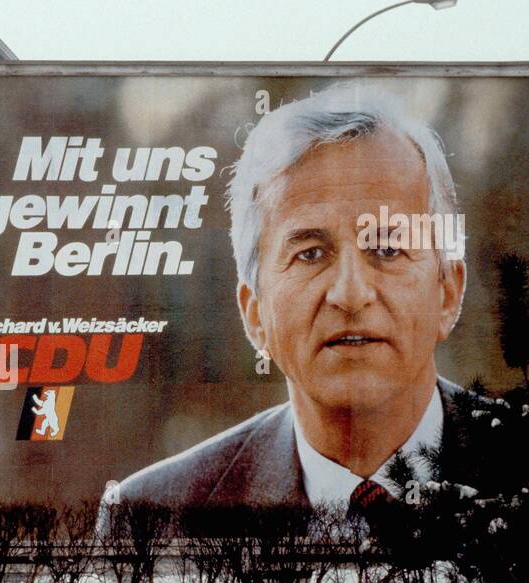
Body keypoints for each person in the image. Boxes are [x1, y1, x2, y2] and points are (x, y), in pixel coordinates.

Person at [108, 83, 476, 515]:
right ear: (255, 313)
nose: (350, 294)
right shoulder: (153, 512)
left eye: (387, 248)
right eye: (311, 254)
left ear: (448, 291)